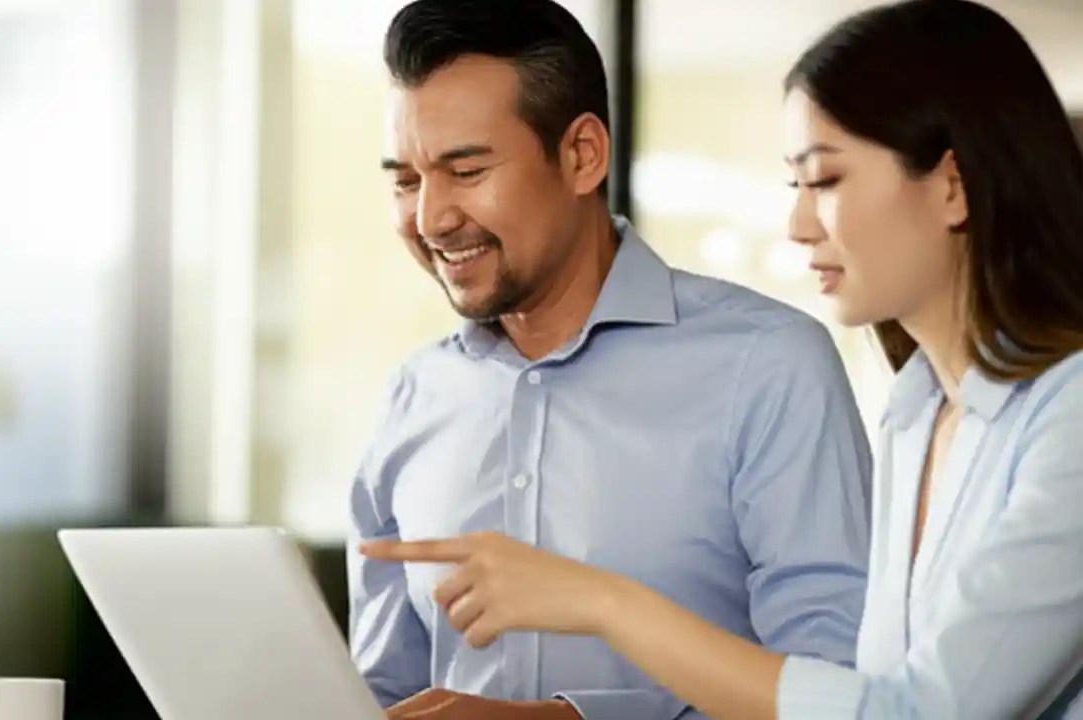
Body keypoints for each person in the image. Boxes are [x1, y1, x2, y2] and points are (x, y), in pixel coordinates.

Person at [363, 1, 1083, 718]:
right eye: (405, 180)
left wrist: (600, 609)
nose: (798, 226)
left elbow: (903, 707)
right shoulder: (916, 410)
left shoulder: (780, 366)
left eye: (826, 181)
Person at [348, 1, 874, 718]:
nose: (432, 217)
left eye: (465, 171)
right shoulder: (415, 395)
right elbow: (380, 692)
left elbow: (832, 690)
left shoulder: (768, 365)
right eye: (406, 181)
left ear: (582, 155)